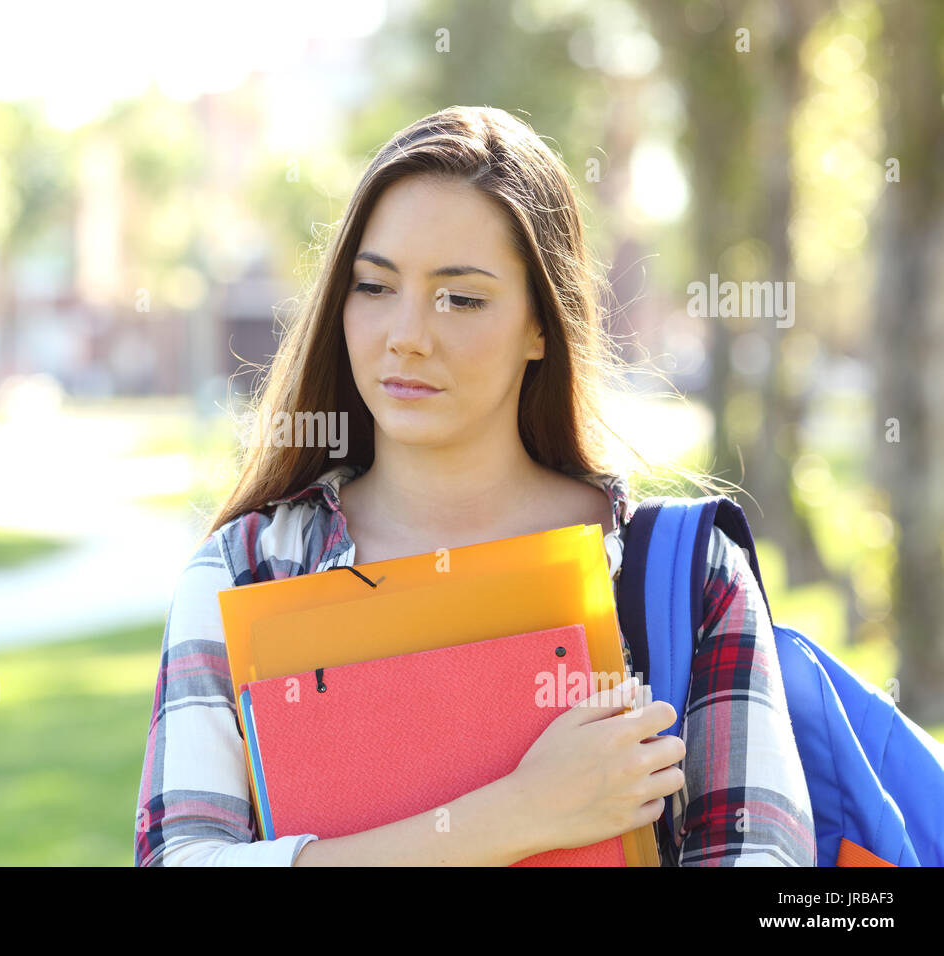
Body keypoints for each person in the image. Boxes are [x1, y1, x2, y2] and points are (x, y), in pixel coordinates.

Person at [133, 106, 816, 867]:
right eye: (374, 286)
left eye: (461, 297)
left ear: (540, 327)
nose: (407, 335)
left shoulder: (683, 577)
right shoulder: (244, 570)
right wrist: (515, 816)